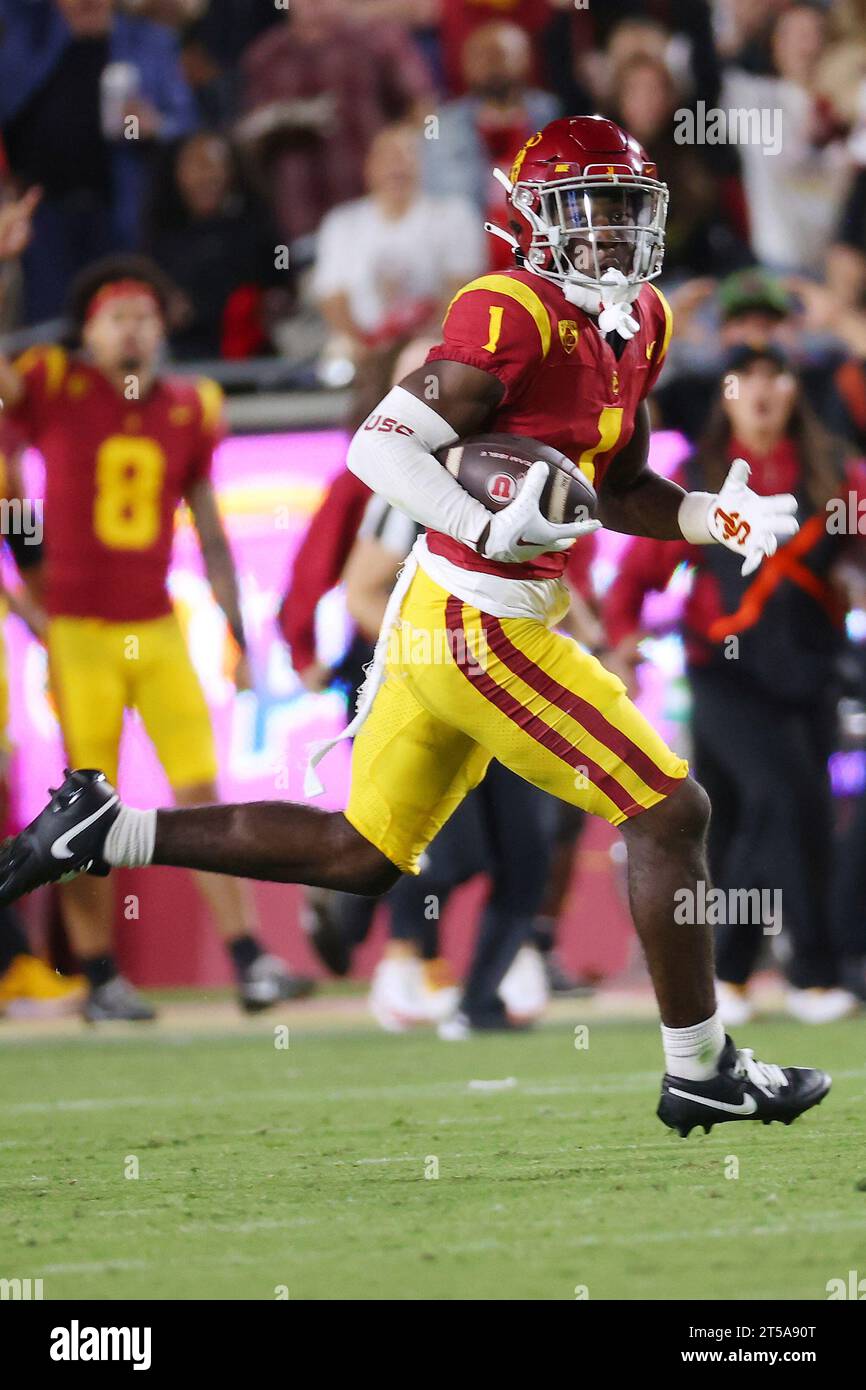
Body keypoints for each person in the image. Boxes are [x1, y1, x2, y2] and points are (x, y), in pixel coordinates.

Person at [0, 117, 830, 1136]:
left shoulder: (641, 320)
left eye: (624, 206)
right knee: (668, 812)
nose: (611, 230)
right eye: (586, 208)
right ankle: (700, 1066)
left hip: (476, 613)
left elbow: (609, 482)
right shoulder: (507, 311)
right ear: (531, 221)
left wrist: (707, 515)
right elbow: (380, 447)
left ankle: (104, 827)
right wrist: (485, 519)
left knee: (360, 852)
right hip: (476, 617)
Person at [0, 225, 312, 1019]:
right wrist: (8, 264)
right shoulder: (55, 384)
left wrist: (239, 630)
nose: (133, 327)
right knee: (83, 809)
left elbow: (209, 530)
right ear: (88, 330)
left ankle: (249, 960)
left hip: (158, 624)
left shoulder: (189, 406)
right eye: (117, 315)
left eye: (145, 314)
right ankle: (101, 975)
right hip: (76, 630)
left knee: (202, 795)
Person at [604, 343, 863, 1025]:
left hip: (811, 672)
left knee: (772, 820)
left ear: (792, 390)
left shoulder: (839, 474)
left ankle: (734, 975)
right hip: (723, 674)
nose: (761, 389)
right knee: (783, 799)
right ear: (725, 394)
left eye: (775, 374)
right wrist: (624, 648)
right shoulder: (696, 478)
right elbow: (635, 578)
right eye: (744, 376)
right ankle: (809, 975)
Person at [0, 0, 197, 322]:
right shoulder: (31, 40)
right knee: (49, 324)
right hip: (41, 216)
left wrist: (152, 124)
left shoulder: (150, 42)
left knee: (117, 315)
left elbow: (188, 125)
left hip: (120, 211)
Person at [146, 131, 289, 360]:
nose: (205, 176)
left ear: (231, 171)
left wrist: (278, 295)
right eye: (195, 166)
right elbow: (148, 293)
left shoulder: (257, 226)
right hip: (187, 358)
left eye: (214, 165)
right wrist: (163, 306)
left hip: (255, 357)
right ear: (176, 174)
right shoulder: (161, 237)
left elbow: (282, 264)